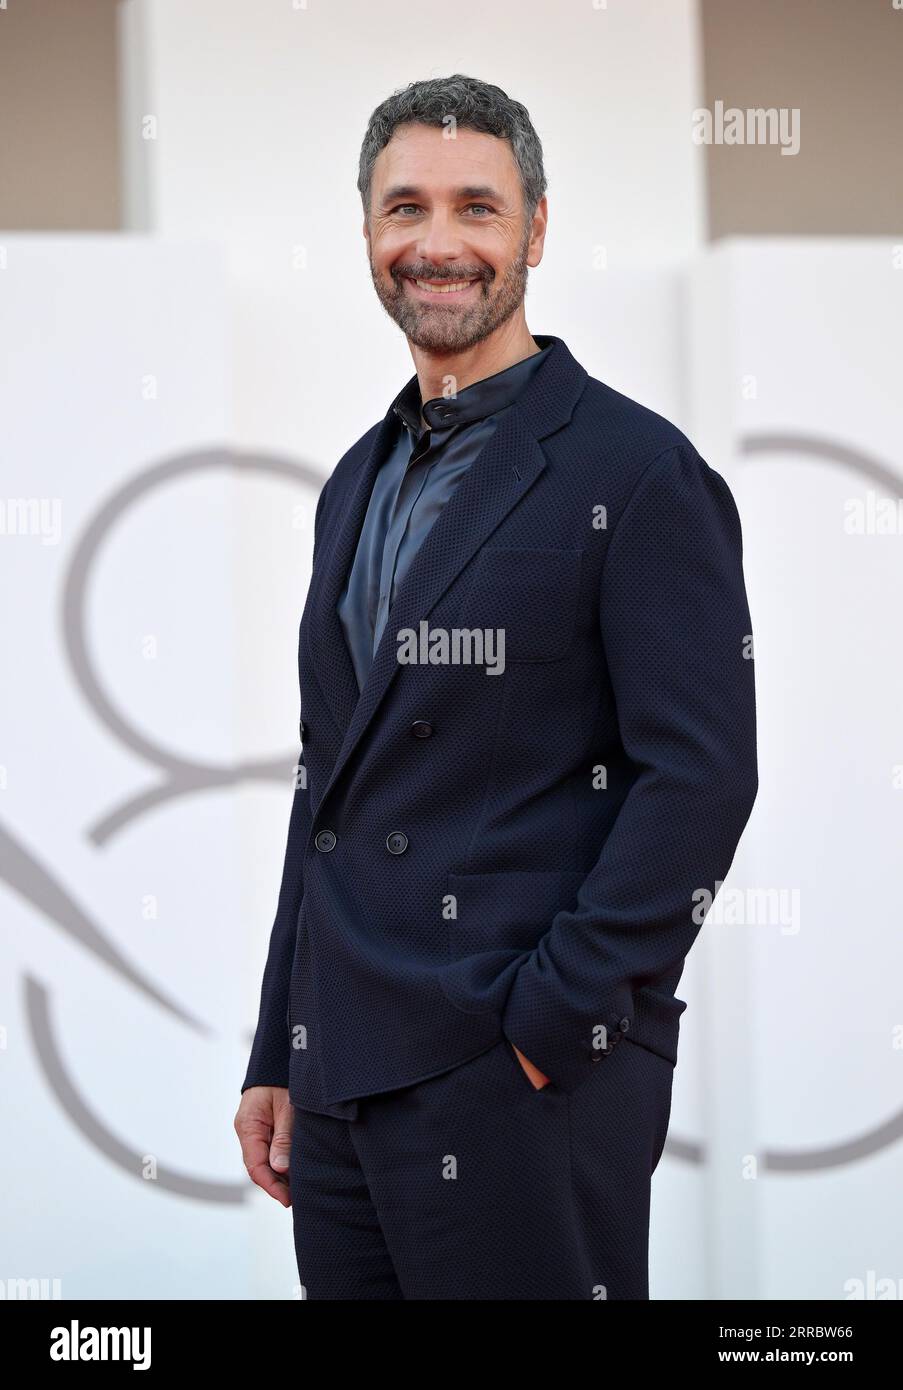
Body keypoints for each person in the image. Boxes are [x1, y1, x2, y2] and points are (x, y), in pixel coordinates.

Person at [234, 73, 758, 1300]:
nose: (438, 242)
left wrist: (549, 1024)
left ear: (533, 230)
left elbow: (700, 775)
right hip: (344, 1081)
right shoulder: (354, 482)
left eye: (478, 206)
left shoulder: (636, 470)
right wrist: (279, 1047)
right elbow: (331, 796)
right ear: (367, 233)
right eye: (403, 207)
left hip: (519, 1074)